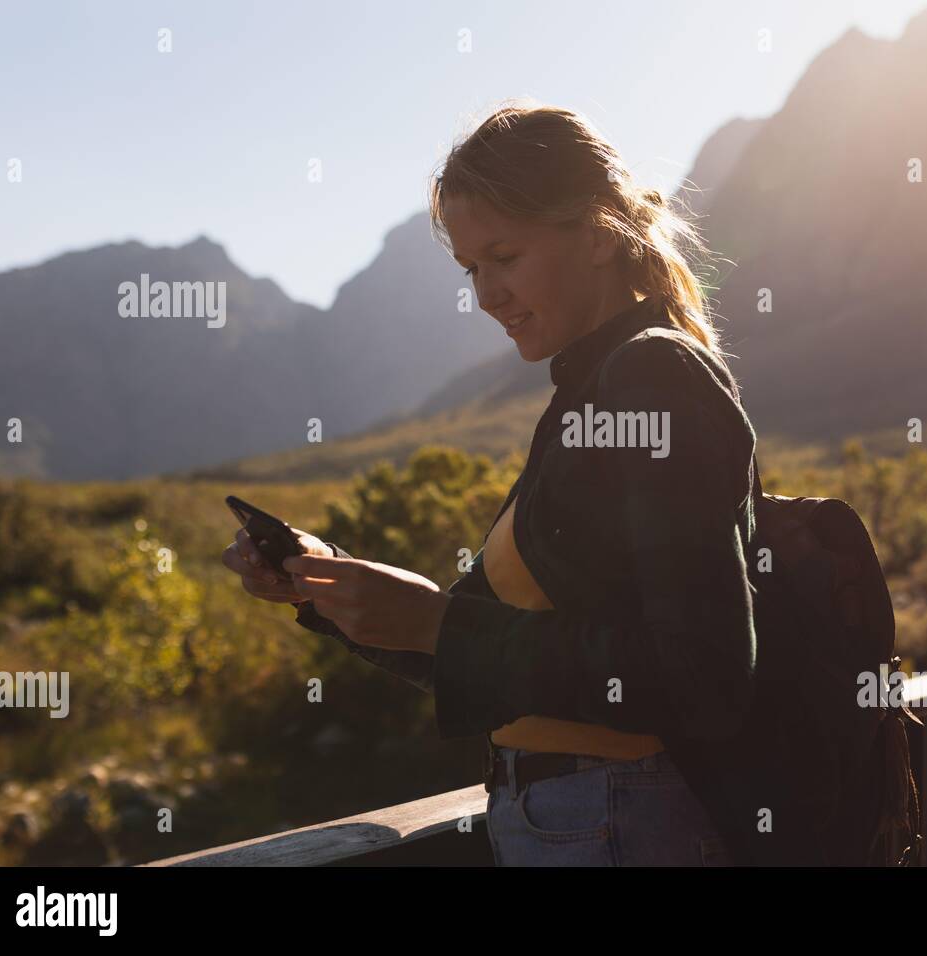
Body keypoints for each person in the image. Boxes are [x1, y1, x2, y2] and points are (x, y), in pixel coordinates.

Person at [222, 100, 760, 866]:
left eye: (505, 257)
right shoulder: (593, 390)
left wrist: (440, 625)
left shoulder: (653, 375)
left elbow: (703, 678)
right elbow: (490, 651)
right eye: (472, 269)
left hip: (626, 828)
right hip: (591, 825)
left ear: (601, 230)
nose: (486, 294)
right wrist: (324, 584)